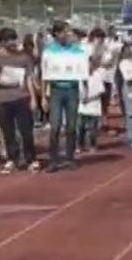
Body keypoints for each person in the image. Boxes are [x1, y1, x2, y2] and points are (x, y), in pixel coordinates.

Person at [0, 28, 39, 174]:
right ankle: (12, 159)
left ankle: (31, 159)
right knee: (8, 131)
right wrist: (4, 83)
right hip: (3, 99)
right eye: (9, 40)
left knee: (26, 130)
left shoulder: (24, 58)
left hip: (22, 97)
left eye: (14, 39)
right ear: (2, 42)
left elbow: (29, 78)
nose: (12, 43)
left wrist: (33, 99)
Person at [43, 21, 85, 173]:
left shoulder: (76, 50)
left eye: (67, 32)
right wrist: (43, 96)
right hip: (56, 90)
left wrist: (84, 89)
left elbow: (82, 70)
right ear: (56, 34)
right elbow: (45, 74)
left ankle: (70, 157)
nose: (66, 35)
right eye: (63, 32)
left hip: (72, 90)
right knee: (55, 126)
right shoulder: (49, 51)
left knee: (71, 126)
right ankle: (53, 160)